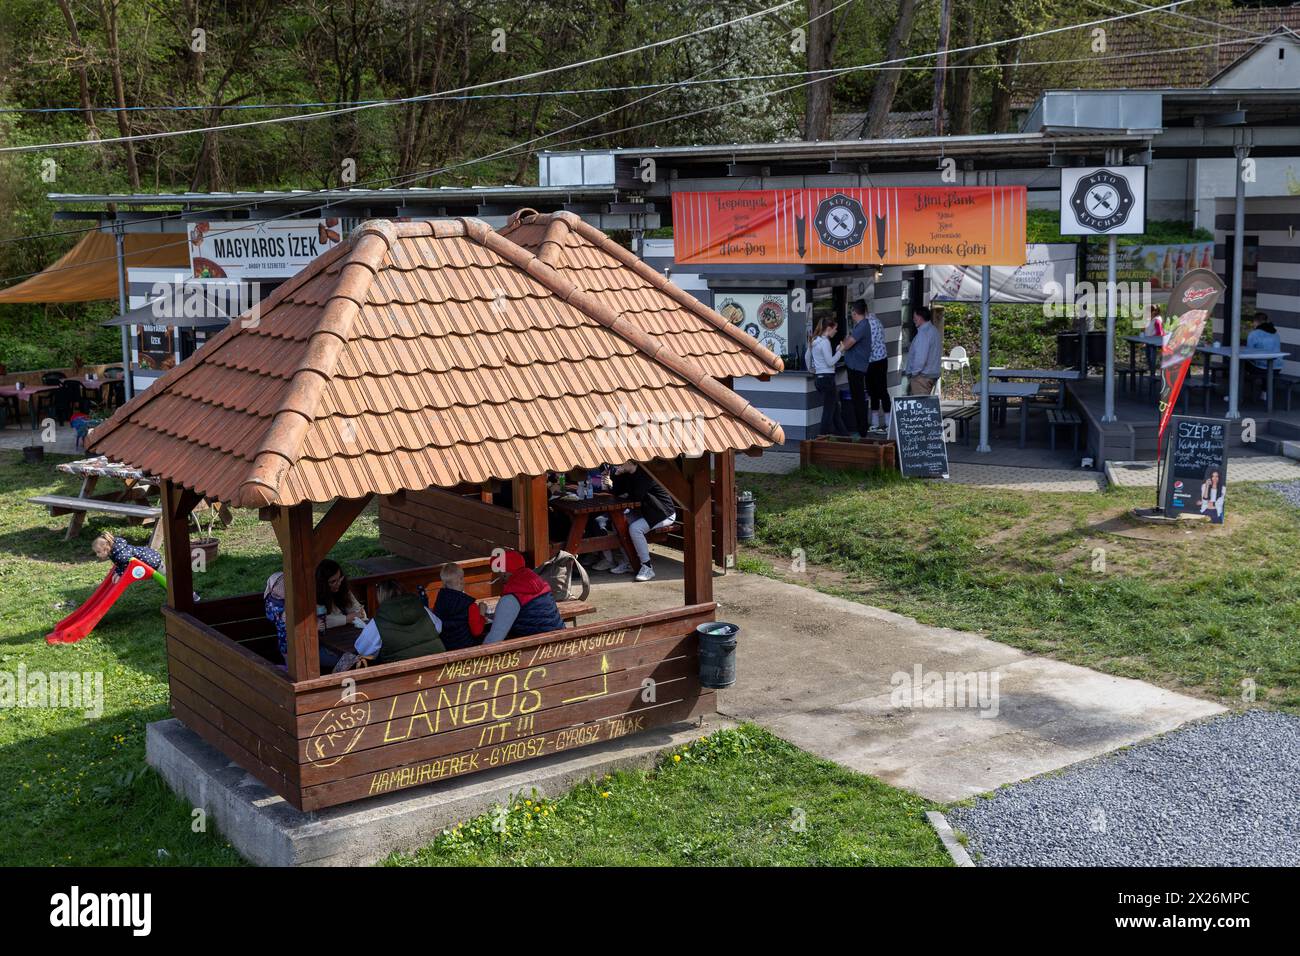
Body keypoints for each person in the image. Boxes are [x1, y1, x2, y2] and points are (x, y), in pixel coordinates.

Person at [609, 461, 676, 582]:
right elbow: (617, 492)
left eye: (621, 462)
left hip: (662, 513)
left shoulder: (646, 474)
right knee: (617, 524)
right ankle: (629, 561)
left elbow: (636, 496)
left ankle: (647, 567)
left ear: (630, 462)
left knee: (635, 528)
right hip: (645, 511)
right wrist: (616, 476)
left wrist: (621, 481)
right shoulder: (627, 473)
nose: (617, 465)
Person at [263, 571, 340, 671]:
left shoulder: (273, 601)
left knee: (293, 665)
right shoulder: (283, 608)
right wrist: (314, 627)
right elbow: (295, 626)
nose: (285, 588)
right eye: (282, 586)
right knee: (296, 669)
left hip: (287, 643)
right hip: (293, 644)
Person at [355, 579, 446, 663]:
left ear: (380, 597)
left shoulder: (379, 622)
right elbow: (439, 627)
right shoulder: (423, 609)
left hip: (402, 675)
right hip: (436, 666)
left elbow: (362, 648)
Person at [482, 549, 564, 643]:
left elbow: (494, 639)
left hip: (534, 651)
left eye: (498, 572)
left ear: (504, 573)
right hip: (559, 644)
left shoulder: (511, 598)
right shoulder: (541, 584)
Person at [842, 299, 891, 432]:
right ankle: (878, 422)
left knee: (879, 391)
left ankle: (887, 423)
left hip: (875, 360)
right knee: (876, 391)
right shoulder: (875, 320)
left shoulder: (868, 324)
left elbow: (867, 344)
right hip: (880, 359)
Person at [431, 562, 487, 651]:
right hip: (467, 648)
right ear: (461, 580)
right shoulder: (470, 605)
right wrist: (482, 613)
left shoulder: (440, 600)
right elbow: (477, 631)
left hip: (446, 648)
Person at [809, 316, 848, 438]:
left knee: (834, 409)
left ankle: (845, 435)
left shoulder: (814, 340)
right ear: (829, 328)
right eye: (834, 329)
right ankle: (822, 436)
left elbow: (806, 357)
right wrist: (840, 351)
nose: (836, 331)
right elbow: (830, 362)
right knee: (829, 411)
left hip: (819, 379)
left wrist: (812, 369)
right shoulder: (825, 342)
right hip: (827, 379)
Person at [92, 531, 162, 582]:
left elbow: (128, 565)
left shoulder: (120, 554)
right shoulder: (114, 551)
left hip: (152, 561)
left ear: (106, 548)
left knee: (168, 581)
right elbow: (121, 565)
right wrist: (117, 572)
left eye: (98, 552)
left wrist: (120, 574)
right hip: (151, 556)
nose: (97, 555)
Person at [904, 305, 942, 395]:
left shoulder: (923, 333)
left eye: (915, 317)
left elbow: (920, 358)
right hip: (929, 375)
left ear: (920, 317)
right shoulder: (933, 330)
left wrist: (914, 373)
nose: (913, 320)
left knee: (919, 406)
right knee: (923, 405)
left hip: (922, 377)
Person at [1245, 313, 1284, 401]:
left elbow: (1248, 352)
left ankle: (1236, 394)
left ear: (1255, 322)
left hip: (1261, 367)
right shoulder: (1275, 333)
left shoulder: (1254, 334)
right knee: (1266, 366)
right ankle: (1265, 392)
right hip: (1278, 366)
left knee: (1238, 364)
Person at [316, 559, 364, 628]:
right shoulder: (315, 597)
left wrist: (356, 615)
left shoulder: (343, 589)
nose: (338, 583)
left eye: (340, 578)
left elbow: (359, 611)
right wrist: (347, 619)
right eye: (333, 581)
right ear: (322, 584)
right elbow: (321, 621)